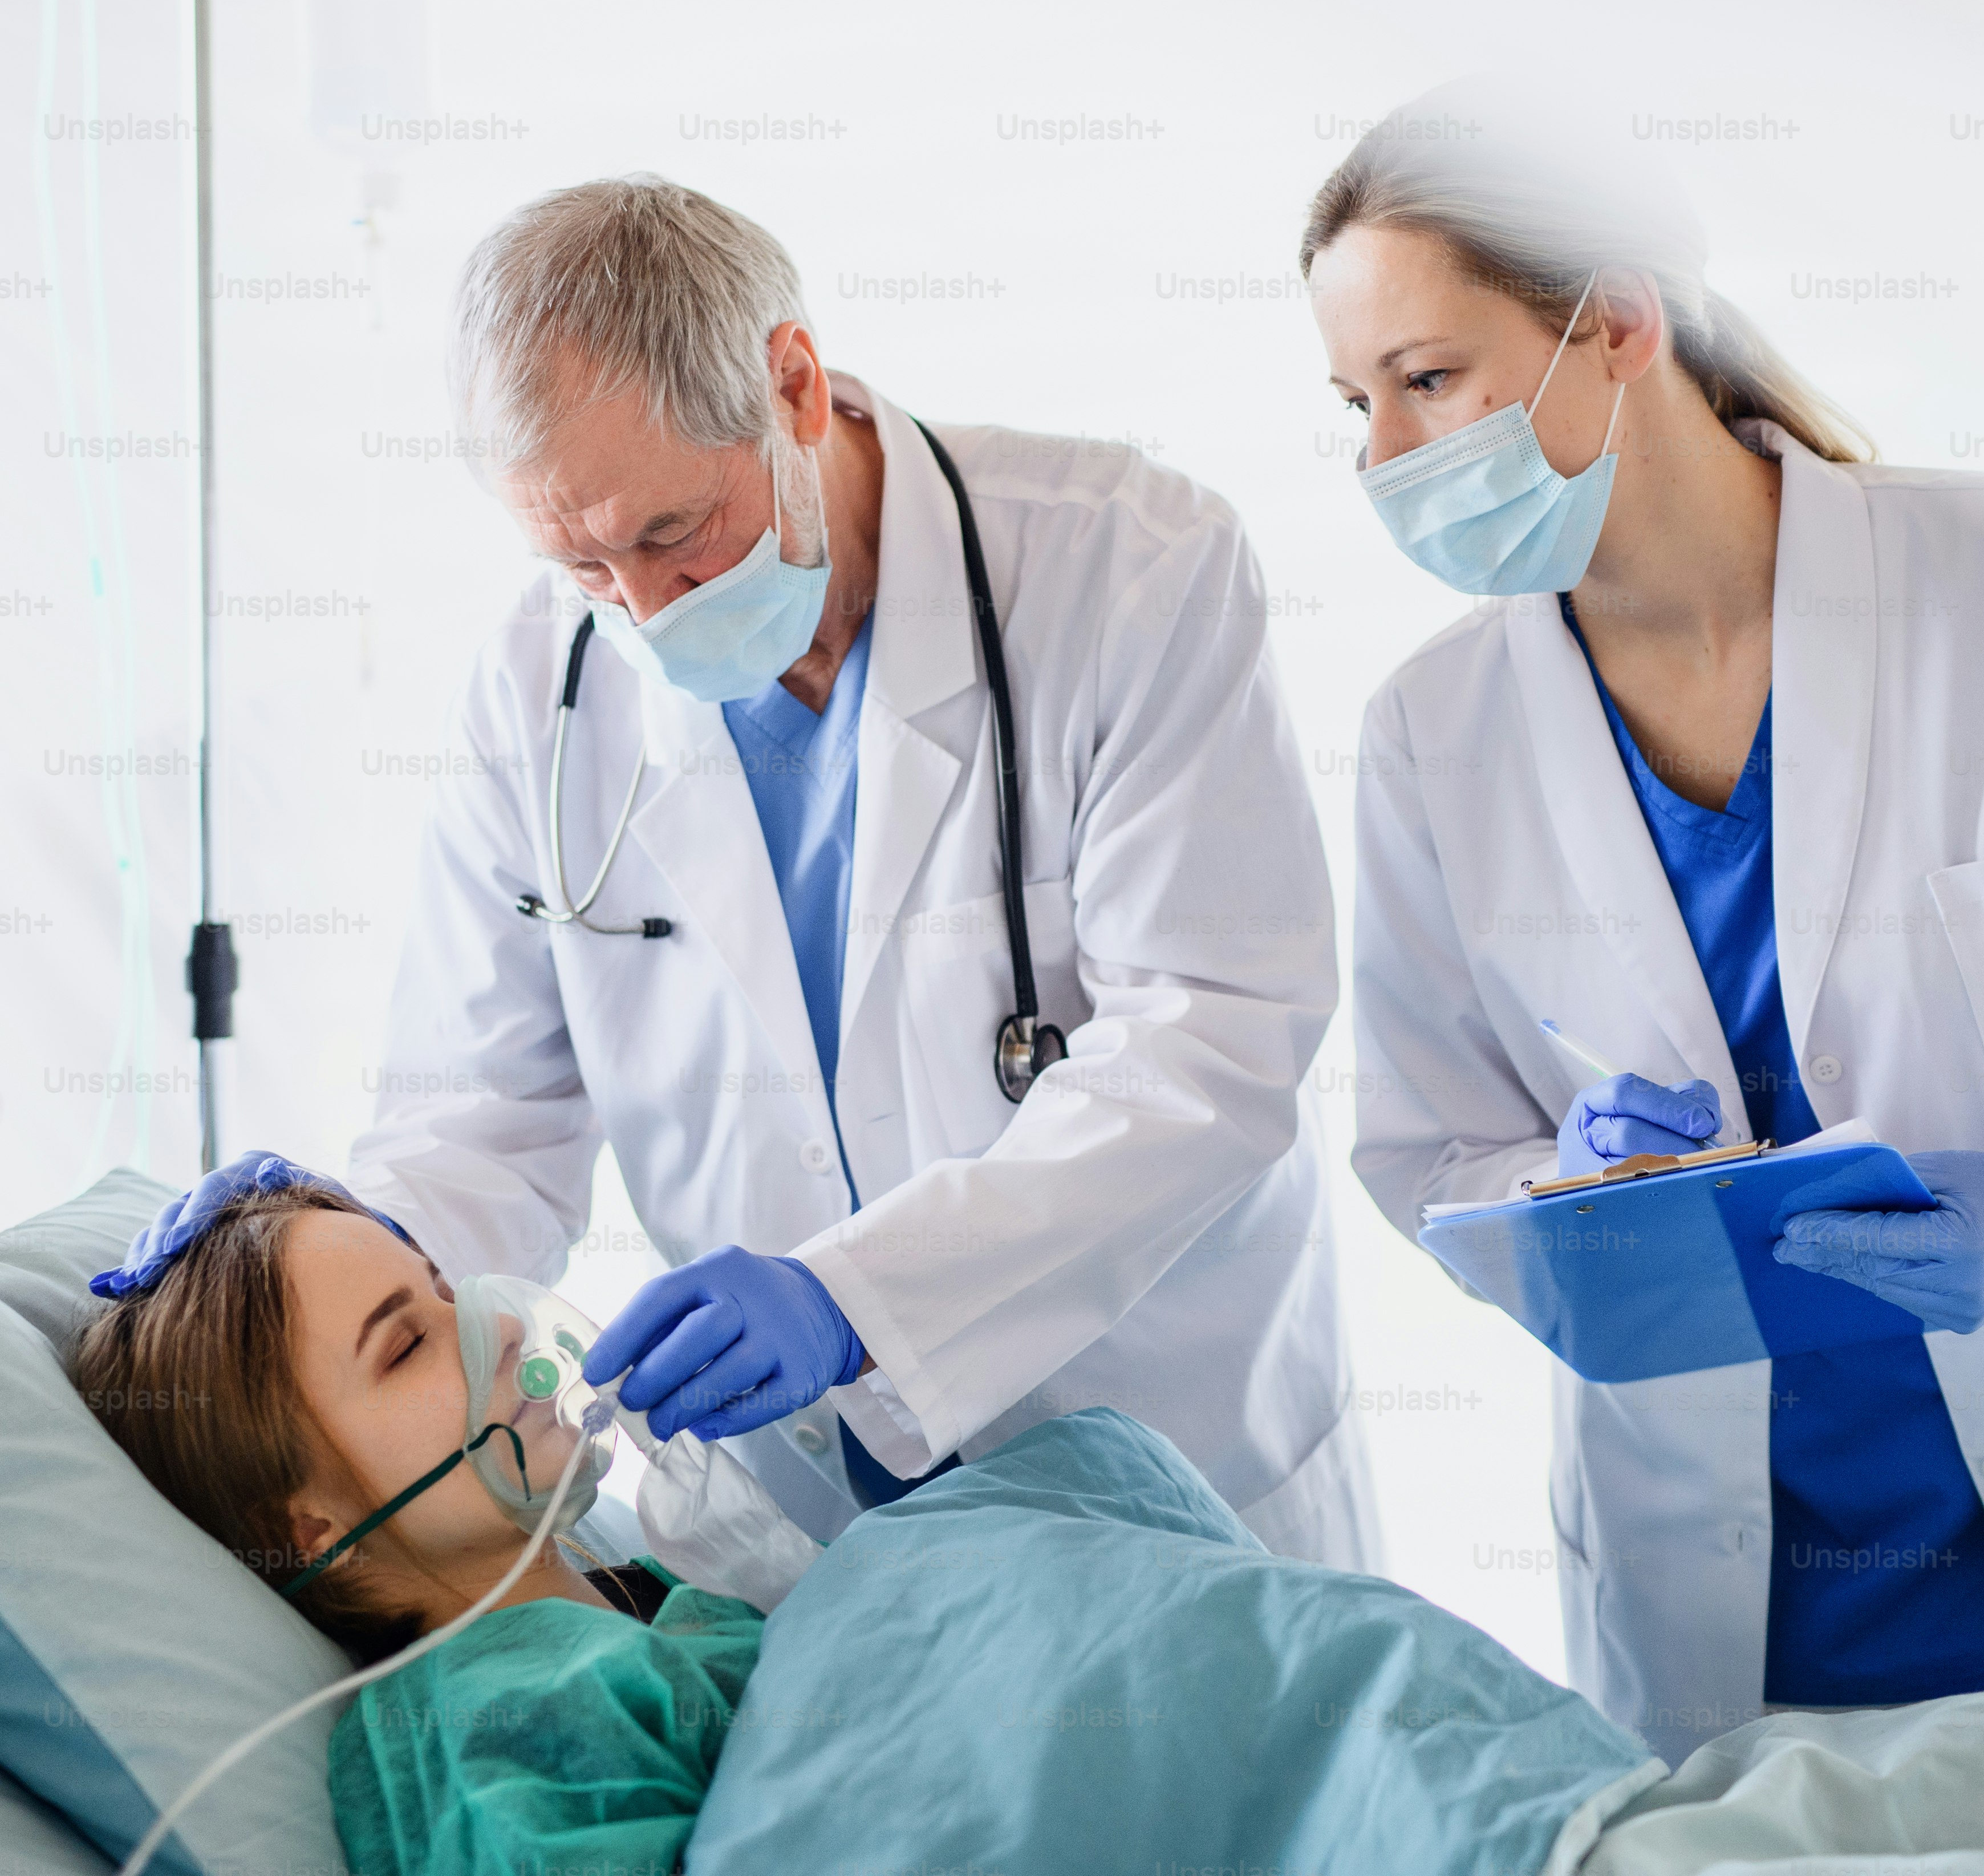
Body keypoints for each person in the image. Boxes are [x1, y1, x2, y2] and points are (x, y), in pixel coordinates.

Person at [1314, 89, 1984, 1758]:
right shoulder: (1427, 736)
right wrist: (1557, 1186)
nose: (1384, 457)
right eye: (1355, 403)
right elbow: (1425, 1150)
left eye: (1429, 380)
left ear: (1615, 323)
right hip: (1741, 1626)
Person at [71, 1171, 1984, 1876]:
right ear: (310, 1513)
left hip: (1545, 1795)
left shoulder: (707, 1567)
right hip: (1449, 1854)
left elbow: (1066, 1555)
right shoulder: (471, 1736)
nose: (502, 1340)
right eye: (408, 1347)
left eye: (446, 1284)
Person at [340, 175, 1373, 1565]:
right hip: (803, 1530)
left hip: (1174, 1472)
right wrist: (315, 1243)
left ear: (795, 383)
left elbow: (1211, 1039)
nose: (643, 613)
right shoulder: (544, 688)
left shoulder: (1129, 565)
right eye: (582, 563)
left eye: (670, 533)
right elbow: (482, 1119)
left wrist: (854, 1302)